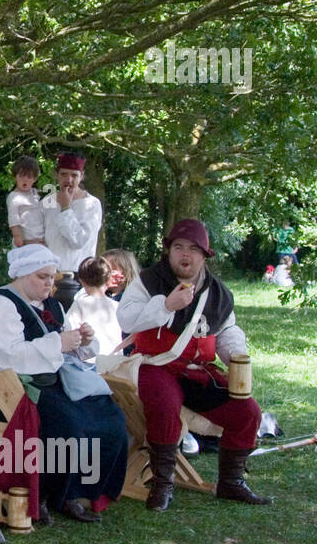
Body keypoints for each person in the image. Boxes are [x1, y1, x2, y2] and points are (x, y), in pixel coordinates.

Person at [116, 219, 271, 511]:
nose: (185, 255)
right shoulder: (149, 281)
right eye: (178, 247)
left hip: (198, 372)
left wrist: (236, 354)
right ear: (169, 251)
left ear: (204, 255)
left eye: (193, 249)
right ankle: (162, 485)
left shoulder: (219, 293)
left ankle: (231, 482)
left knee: (247, 412)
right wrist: (165, 306)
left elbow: (227, 331)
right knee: (164, 404)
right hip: (157, 365)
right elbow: (125, 320)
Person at [0, 244, 129, 523]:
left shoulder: (53, 304)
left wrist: (83, 340)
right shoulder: (0, 304)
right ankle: (44, 492)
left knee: (110, 416)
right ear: (21, 274)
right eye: (42, 277)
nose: (49, 283)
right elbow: (5, 355)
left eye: (52, 277)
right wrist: (58, 343)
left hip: (55, 380)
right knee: (67, 424)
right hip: (12, 388)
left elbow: (66, 346)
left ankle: (77, 492)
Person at [41, 152, 103, 309]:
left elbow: (79, 241)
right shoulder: (46, 203)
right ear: (56, 175)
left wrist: (65, 207)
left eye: (74, 175)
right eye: (64, 174)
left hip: (79, 280)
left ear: (81, 176)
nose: (69, 180)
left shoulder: (92, 205)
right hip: (48, 278)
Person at [67, 256, 122, 354]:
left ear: (81, 280)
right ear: (108, 278)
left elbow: (69, 329)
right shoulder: (117, 306)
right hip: (114, 359)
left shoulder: (80, 303)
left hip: (90, 361)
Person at [7, 155, 44, 247]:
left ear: (34, 179)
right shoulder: (14, 197)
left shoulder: (35, 193)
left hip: (40, 236)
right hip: (25, 239)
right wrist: (17, 236)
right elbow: (13, 218)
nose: (25, 179)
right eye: (21, 175)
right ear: (15, 176)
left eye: (29, 176)